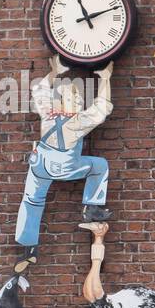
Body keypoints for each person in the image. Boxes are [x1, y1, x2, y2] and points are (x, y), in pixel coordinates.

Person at [15, 53, 113, 253]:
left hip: (39, 163)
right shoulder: (78, 121)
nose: (77, 101)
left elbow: (39, 90)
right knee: (99, 166)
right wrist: (105, 79)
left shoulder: (48, 113)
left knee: (32, 200)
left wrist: (54, 73)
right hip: (64, 166)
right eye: (75, 97)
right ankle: (92, 208)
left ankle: (27, 244)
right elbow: (102, 108)